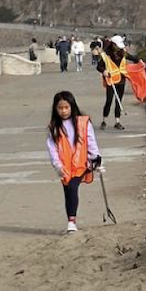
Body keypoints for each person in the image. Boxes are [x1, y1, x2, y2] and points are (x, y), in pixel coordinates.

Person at [46, 91, 100, 233]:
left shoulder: (83, 122)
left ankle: (71, 221)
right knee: (67, 191)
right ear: (55, 109)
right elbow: (52, 149)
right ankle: (70, 219)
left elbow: (91, 141)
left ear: (72, 106)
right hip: (65, 166)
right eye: (60, 108)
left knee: (72, 187)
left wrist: (96, 159)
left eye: (66, 107)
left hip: (82, 164)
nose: (64, 111)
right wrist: (57, 165)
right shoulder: (54, 128)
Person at [96, 35, 139, 131]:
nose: (119, 47)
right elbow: (99, 66)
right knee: (109, 101)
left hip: (121, 80)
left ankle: (117, 121)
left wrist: (139, 62)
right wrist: (104, 71)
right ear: (113, 45)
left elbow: (134, 59)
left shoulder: (123, 53)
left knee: (118, 101)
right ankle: (104, 120)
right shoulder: (106, 55)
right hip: (111, 80)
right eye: (118, 45)